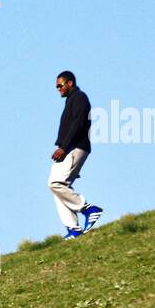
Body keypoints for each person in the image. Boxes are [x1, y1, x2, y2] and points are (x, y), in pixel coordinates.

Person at [49, 71, 103, 239]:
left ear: (70, 83)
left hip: (75, 147)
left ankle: (88, 209)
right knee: (58, 187)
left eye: (60, 85)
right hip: (69, 148)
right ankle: (73, 229)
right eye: (56, 86)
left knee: (56, 183)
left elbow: (78, 124)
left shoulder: (79, 97)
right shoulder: (71, 100)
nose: (58, 89)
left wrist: (63, 148)